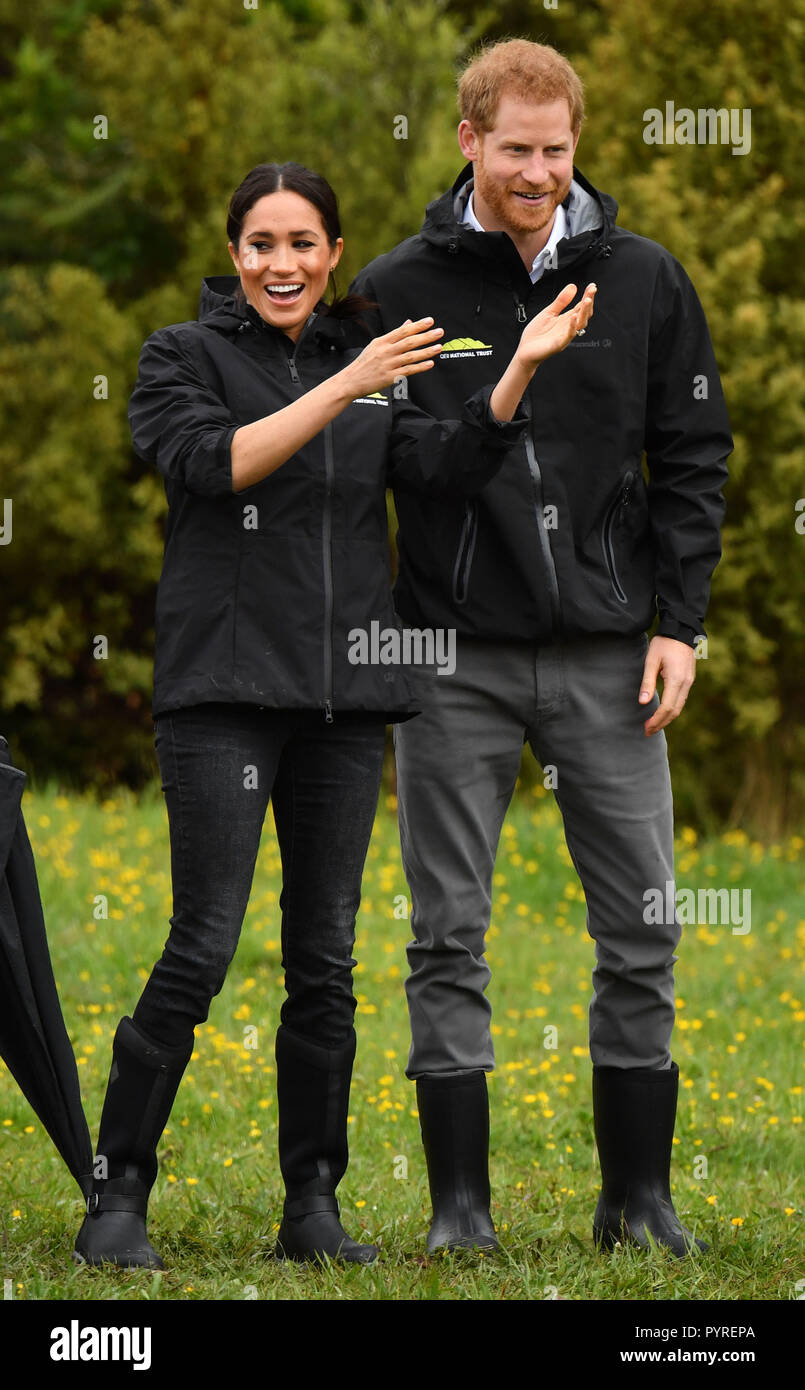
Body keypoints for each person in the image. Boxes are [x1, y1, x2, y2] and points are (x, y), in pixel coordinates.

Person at [72, 161, 596, 1270]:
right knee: (202, 945)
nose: (282, 264)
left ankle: (311, 1204)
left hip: (348, 700)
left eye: (303, 243)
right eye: (261, 242)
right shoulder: (183, 357)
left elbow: (444, 468)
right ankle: (118, 1194)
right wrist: (351, 376)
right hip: (223, 693)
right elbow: (218, 466)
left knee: (325, 961)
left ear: (329, 251)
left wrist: (511, 380)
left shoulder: (380, 368)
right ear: (233, 254)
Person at [350, 39, 733, 1257]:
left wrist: (679, 622)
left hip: (608, 653)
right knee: (444, 933)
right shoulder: (398, 285)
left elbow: (691, 461)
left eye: (557, 152)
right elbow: (405, 465)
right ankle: (460, 1211)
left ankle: (638, 1200)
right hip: (452, 655)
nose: (537, 173)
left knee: (643, 926)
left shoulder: (647, 279)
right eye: (515, 150)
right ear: (467, 140)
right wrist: (505, 381)